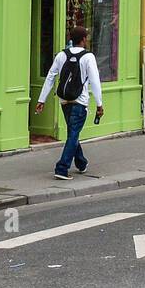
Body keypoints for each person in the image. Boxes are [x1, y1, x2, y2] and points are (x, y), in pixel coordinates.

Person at [35, 25, 104, 181]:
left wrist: (41, 99)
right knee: (73, 134)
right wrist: (99, 104)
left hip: (64, 100)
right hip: (80, 101)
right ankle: (62, 167)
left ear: (71, 39)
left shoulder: (61, 55)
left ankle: (81, 163)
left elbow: (51, 77)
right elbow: (94, 81)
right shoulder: (88, 57)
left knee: (73, 132)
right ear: (84, 39)